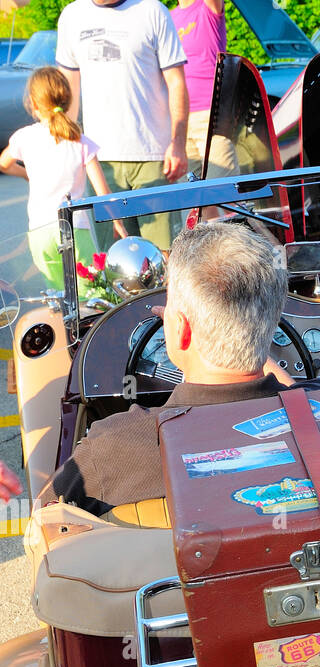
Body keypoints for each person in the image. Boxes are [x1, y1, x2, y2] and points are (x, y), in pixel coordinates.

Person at [37, 220, 287, 516]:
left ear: (180, 329)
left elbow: (44, 522)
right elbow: (296, 399)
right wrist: (254, 334)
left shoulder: (112, 449)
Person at [56, 0, 189, 254]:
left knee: (164, 256)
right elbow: (67, 90)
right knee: (115, 261)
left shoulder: (152, 10)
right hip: (99, 162)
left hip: (154, 158)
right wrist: (68, 151)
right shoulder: (72, 16)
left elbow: (176, 83)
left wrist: (178, 142)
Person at [0, 66, 126, 289]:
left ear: (33, 103)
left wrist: (26, 174)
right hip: (74, 229)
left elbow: (4, 163)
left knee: (59, 298)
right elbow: (103, 193)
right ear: (67, 99)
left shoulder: (25, 137)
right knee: (88, 297)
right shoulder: (80, 141)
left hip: (39, 232)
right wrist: (118, 224)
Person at [170, 0, 239, 180]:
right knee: (192, 202)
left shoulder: (207, 8)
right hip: (179, 120)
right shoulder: (168, 17)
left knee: (223, 193)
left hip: (210, 115)